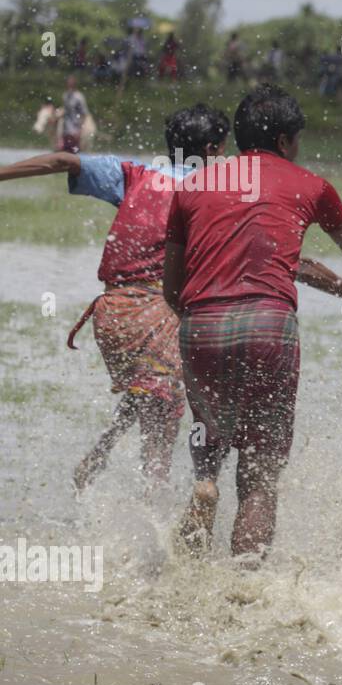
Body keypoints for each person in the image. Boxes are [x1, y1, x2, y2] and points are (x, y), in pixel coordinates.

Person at [163, 85, 342, 560]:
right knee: (259, 476)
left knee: (209, 429)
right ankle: (243, 589)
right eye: (297, 139)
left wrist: (204, 318)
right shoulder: (309, 185)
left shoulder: (193, 187)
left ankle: (204, 486)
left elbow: (173, 287)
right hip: (269, 326)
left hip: (201, 324)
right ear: (283, 141)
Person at [0, 105, 228, 491]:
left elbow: (61, 159)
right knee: (161, 432)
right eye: (223, 151)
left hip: (113, 314)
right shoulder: (210, 193)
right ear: (209, 150)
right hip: (158, 315)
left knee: (151, 388)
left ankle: (99, 453)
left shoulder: (135, 174)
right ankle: (149, 529)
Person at [60, 76, 89, 152]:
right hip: (66, 128)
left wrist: (80, 130)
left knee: (75, 150)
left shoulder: (79, 97)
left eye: (71, 84)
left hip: (75, 128)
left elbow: (84, 113)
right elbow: (65, 112)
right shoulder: (65, 96)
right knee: (65, 151)